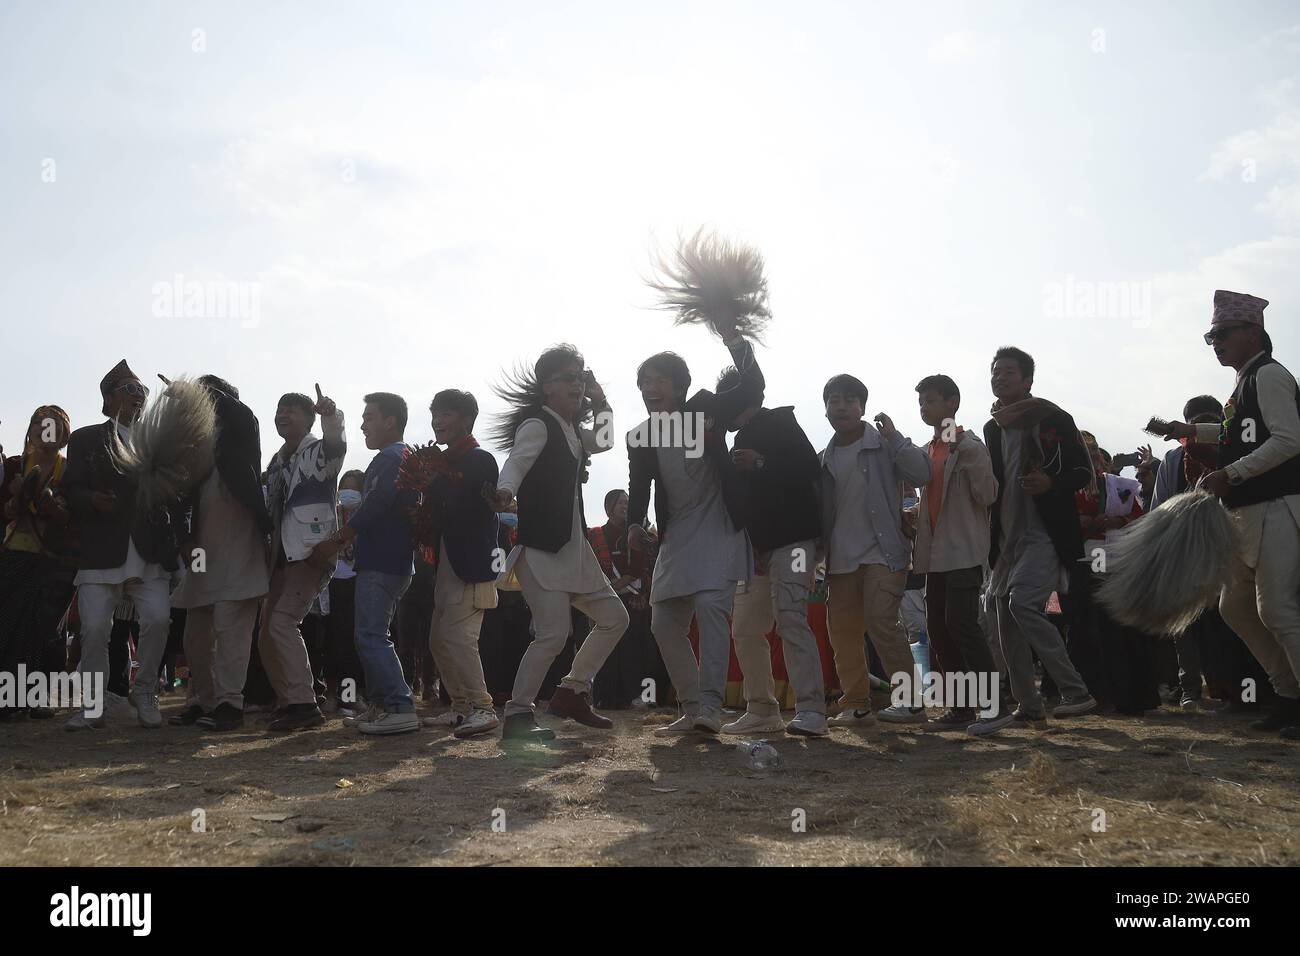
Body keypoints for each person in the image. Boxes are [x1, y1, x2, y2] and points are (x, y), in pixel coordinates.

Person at [1165, 291, 1300, 739]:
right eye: (1211, 335)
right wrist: (1190, 431)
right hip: (1248, 512)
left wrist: (1231, 474)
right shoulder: (1246, 380)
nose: (1215, 342)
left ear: (1252, 333)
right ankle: (1287, 695)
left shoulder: (1269, 376)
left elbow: (1288, 440)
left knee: (1277, 610)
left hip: (1279, 506)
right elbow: (1238, 432)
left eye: (1221, 334)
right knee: (1236, 607)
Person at [491, 346, 629, 740]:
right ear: (547, 386)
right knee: (553, 633)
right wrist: (504, 491)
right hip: (542, 549)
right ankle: (518, 716)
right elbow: (516, 462)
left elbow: (604, 439)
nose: (577, 383)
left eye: (581, 376)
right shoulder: (538, 423)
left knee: (615, 618)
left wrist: (601, 399)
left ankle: (572, 690)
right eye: (569, 377)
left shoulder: (573, 433)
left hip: (574, 548)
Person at [627, 322, 757, 735]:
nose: (651, 388)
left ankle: (712, 710)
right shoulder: (640, 435)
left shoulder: (705, 408)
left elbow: (752, 388)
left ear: (680, 386)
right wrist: (633, 521)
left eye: (660, 380)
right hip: (676, 535)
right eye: (645, 382)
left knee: (711, 614)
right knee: (663, 623)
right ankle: (690, 705)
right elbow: (639, 483)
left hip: (718, 527)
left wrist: (734, 341)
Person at [981, 346, 1097, 730]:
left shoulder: (1053, 418)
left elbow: (1082, 470)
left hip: (1046, 532)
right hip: (1008, 536)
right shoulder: (993, 426)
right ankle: (1028, 705)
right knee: (1001, 617)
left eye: (1009, 372)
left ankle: (1075, 691)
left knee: (1025, 604)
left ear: (1028, 380)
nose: (1000, 377)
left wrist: (1051, 482)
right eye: (995, 371)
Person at [63, 361, 183, 730]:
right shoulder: (84, 439)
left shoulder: (154, 444)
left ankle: (145, 691)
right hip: (101, 550)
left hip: (148, 550)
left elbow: (176, 490)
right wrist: (90, 500)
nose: (139, 397)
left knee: (159, 619)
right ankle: (94, 704)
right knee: (95, 628)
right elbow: (70, 490)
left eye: (142, 392)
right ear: (110, 396)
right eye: (131, 389)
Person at [818, 372, 932, 727]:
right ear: (825, 409)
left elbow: (922, 473)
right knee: (843, 632)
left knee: (883, 622)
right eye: (834, 400)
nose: (841, 407)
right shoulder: (823, 457)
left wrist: (895, 438)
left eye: (849, 401)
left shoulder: (885, 443)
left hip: (884, 553)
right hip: (840, 560)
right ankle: (855, 703)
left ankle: (911, 702)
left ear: (862, 407)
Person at [719, 370, 828, 737]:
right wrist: (751, 543)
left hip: (797, 543)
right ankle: (762, 708)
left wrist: (761, 463)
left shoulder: (782, 421)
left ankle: (812, 709)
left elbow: (810, 468)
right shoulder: (734, 441)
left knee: (791, 617)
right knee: (746, 627)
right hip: (758, 550)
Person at [169, 376, 272, 732]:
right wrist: (183, 539)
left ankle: (231, 704)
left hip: (240, 546)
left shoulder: (244, 427)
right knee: (194, 634)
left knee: (232, 630)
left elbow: (234, 410)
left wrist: (192, 390)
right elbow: (180, 500)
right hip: (201, 553)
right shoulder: (195, 449)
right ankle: (204, 701)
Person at [317, 392, 419, 735]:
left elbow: (375, 505)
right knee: (371, 635)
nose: (363, 424)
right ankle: (381, 705)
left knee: (372, 636)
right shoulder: (393, 456)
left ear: (390, 421)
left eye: (370, 417)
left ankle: (399, 706)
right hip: (386, 560)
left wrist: (338, 537)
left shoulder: (392, 457)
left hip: (384, 561)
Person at [911, 374, 1007, 733]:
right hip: (934, 554)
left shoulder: (970, 445)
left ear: (952, 403)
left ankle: (994, 705)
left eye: (932, 400)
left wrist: (965, 451)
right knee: (937, 627)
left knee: (961, 623)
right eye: (922, 402)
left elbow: (988, 494)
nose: (925, 408)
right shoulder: (928, 450)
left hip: (963, 551)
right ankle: (961, 707)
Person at [417, 388, 502, 738]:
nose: (437, 420)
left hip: (473, 563)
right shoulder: (446, 461)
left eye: (446, 413)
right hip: (448, 562)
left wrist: (434, 483)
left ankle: (483, 707)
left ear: (466, 420)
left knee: (459, 637)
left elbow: (471, 508)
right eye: (434, 413)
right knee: (439, 639)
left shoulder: (480, 460)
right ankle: (461, 708)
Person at [259, 386, 345, 731]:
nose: (283, 415)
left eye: (291, 410)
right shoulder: (278, 460)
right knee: (267, 631)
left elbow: (337, 441)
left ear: (309, 419)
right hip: (280, 556)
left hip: (310, 553)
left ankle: (304, 704)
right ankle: (288, 701)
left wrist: (331, 415)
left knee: (281, 623)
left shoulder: (320, 453)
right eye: (280, 409)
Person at [0, 405, 76, 719]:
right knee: (11, 625)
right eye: (40, 423)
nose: (45, 430)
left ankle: (40, 697)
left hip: (55, 559)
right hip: (17, 552)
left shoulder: (70, 471)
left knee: (47, 629)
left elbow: (72, 517)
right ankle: (9, 700)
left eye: (53, 425)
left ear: (63, 433)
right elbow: (4, 513)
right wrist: (18, 498)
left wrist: (48, 502)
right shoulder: (15, 465)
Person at [587, 490, 666, 710]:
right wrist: (616, 586)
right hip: (606, 599)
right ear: (609, 507)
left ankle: (640, 696)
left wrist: (633, 585)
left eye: (628, 502)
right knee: (607, 650)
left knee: (639, 651)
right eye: (621, 502)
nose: (625, 506)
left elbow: (648, 567)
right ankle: (605, 698)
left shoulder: (640, 536)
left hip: (636, 601)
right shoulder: (595, 535)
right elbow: (591, 570)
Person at [324, 469, 365, 715]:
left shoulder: (366, 519)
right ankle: (330, 693)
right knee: (331, 642)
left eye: (354, 488)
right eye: (344, 488)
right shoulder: (331, 515)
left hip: (356, 582)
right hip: (330, 583)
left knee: (351, 644)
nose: (348, 493)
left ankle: (349, 695)